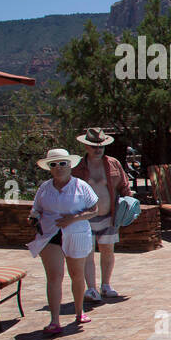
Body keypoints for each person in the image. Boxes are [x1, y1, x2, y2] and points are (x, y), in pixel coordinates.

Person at [27, 147, 100, 336]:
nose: (59, 167)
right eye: (54, 164)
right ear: (49, 167)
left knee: (76, 274)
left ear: (70, 165)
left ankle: (79, 311)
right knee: (54, 277)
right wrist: (33, 217)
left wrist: (73, 219)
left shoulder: (81, 186)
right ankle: (55, 320)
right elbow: (36, 209)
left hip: (76, 233)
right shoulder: (44, 188)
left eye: (63, 163)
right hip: (51, 235)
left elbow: (94, 209)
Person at [71, 127, 133, 301]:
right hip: (86, 217)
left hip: (108, 216)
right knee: (87, 253)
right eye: (94, 146)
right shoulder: (78, 167)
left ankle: (105, 285)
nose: (97, 150)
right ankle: (91, 288)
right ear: (86, 147)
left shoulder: (113, 163)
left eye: (100, 146)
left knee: (108, 251)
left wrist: (130, 204)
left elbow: (124, 186)